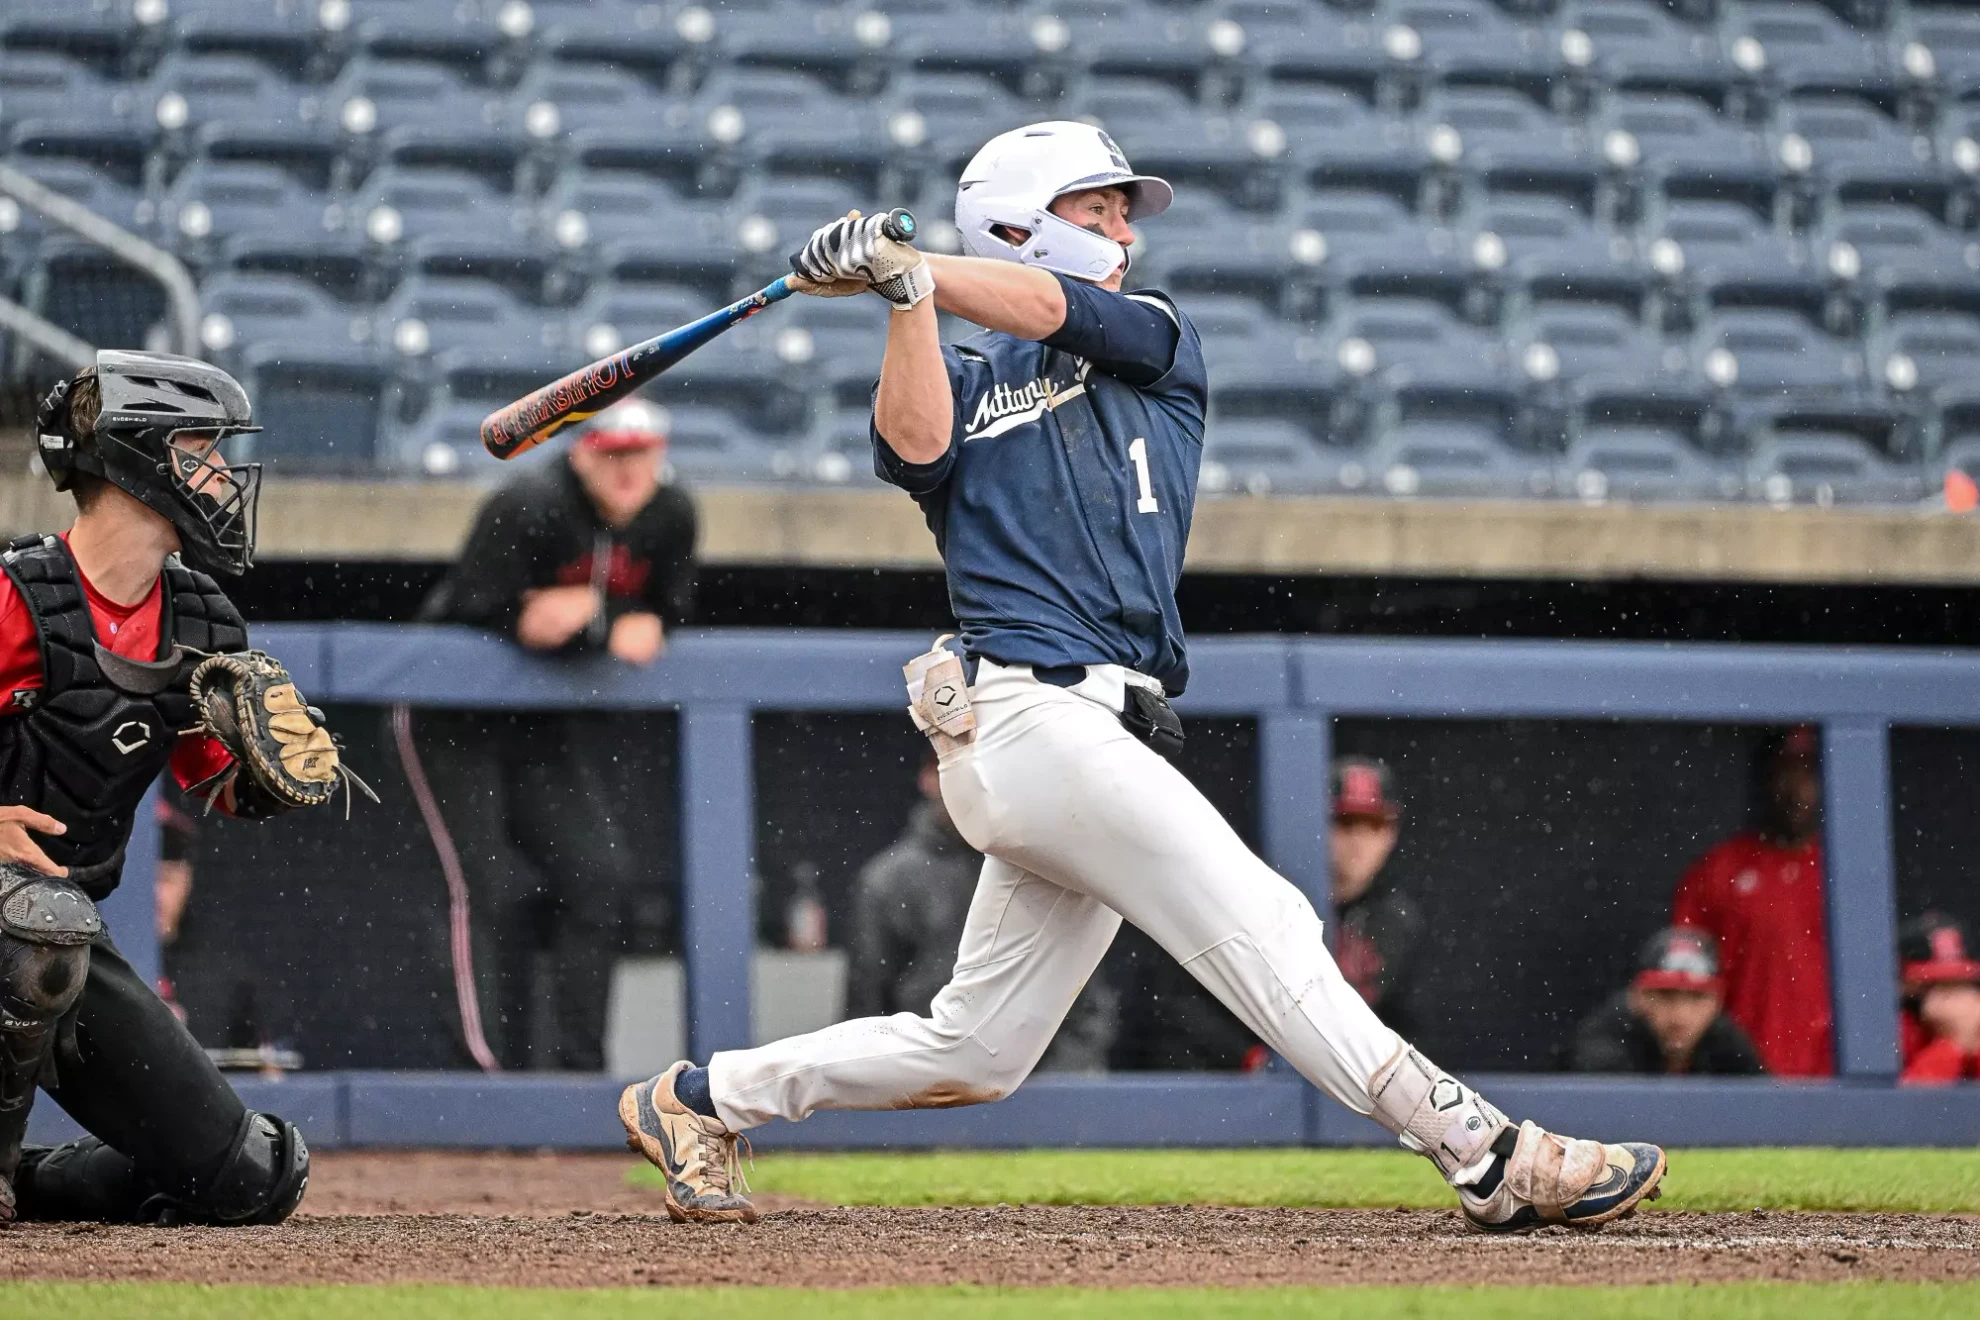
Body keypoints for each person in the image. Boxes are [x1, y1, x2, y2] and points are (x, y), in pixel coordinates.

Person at [617, 121, 1666, 1231]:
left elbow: (1059, 311)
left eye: (1123, 208)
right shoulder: (966, 373)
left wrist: (912, 268)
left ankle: (702, 1097)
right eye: (1095, 208)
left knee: (975, 1050)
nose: (1121, 228)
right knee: (1263, 919)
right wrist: (904, 299)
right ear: (1016, 224)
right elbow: (916, 450)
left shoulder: (1152, 338)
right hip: (1025, 715)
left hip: (1092, 731)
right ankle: (1486, 1153)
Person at [3, 350, 352, 1224]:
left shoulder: (201, 618)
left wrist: (269, 778)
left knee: (247, 1180)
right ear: (135, 458)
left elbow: (219, 786)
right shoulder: (15, 596)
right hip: (23, 923)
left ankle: (34, 1182)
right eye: (203, 450)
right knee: (37, 926)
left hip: (64, 935)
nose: (225, 475)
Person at [407, 396, 696, 1071]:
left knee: (598, 876)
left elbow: (669, 608)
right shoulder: (529, 502)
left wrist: (622, 612)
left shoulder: (672, 512)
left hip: (544, 719)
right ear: (581, 453)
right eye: (613, 456)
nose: (629, 473)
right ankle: (474, 1080)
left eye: (642, 456)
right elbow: (476, 602)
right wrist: (520, 616)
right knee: (474, 886)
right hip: (453, 713)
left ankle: (577, 1075)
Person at [850, 753, 1115, 1072]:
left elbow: (1085, 998)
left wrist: (1061, 1082)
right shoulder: (889, 880)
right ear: (928, 779)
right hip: (928, 1087)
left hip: (1042, 1087)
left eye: (984, 767)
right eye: (954, 766)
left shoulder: (1049, 868)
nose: (972, 783)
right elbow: (868, 1011)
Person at [1670, 727, 1832, 1077]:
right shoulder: (1719, 870)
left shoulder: (1846, 872)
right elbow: (1679, 984)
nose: (1796, 787)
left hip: (1831, 1081)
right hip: (1736, 1078)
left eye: (1807, 771)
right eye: (1785, 769)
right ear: (1765, 778)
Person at [1567, 928, 1765, 1076]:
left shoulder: (1729, 1045)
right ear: (1638, 996)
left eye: (1696, 997)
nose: (1681, 1013)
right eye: (1665, 995)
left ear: (1717, 1002)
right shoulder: (1603, 1048)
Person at [1327, 756, 1424, 1039]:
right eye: (1345, 822)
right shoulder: (1280, 900)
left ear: (1391, 834)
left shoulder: (1398, 921)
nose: (1358, 841)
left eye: (1373, 824)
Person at [1897, 913, 1980, 1086]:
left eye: (1959, 984)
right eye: (1933, 986)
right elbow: (1904, 1107)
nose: (1956, 1000)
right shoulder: (1900, 1030)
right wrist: (1951, 1046)